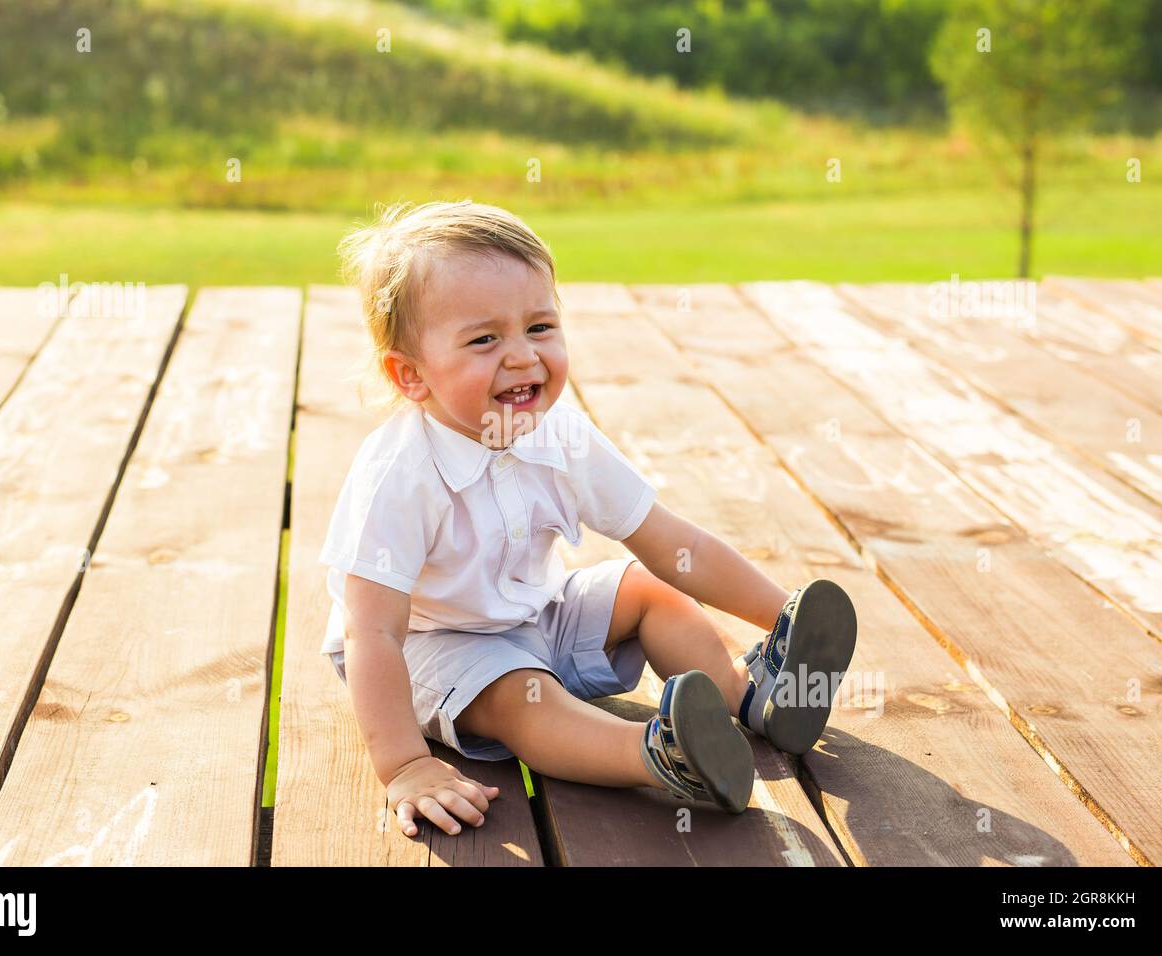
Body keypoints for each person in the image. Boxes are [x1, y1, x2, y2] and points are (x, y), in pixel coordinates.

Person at [319, 199, 858, 838]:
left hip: (536, 609)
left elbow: (673, 543)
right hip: (433, 647)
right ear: (410, 375)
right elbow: (372, 634)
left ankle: (752, 691)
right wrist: (405, 763)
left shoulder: (563, 438)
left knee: (650, 588)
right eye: (485, 338)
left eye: (540, 327)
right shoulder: (401, 475)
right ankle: (658, 756)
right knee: (524, 697)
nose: (522, 357)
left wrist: (781, 616)